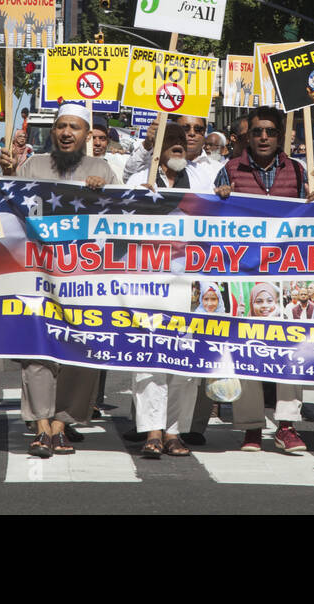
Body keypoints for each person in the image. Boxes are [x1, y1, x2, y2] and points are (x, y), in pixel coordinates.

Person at [0, 104, 115, 457]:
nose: (67, 133)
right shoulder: (32, 167)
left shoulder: (102, 169)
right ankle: (41, 426)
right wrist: (6, 176)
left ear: (86, 134)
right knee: (37, 351)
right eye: (61, 126)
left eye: (75, 127)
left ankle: (62, 425)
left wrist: (100, 192)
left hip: (85, 279)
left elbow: (123, 221)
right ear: (53, 132)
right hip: (39, 276)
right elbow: (10, 213)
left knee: (80, 350)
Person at [214, 108, 312, 453]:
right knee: (246, 349)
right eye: (257, 132)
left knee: (291, 349)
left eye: (270, 131)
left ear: (280, 135)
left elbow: (309, 219)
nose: (264, 138)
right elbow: (211, 222)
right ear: (248, 136)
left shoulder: (297, 171)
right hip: (243, 274)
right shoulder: (228, 170)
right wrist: (220, 200)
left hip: (286, 275)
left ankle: (287, 425)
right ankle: (251, 427)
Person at [125, 124, 198, 458]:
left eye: (182, 141)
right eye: (171, 142)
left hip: (188, 285)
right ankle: (152, 431)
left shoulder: (199, 182)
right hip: (146, 283)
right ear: (156, 147)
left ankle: (173, 431)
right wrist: (139, 199)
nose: (179, 146)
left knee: (183, 365)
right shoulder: (137, 181)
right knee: (149, 361)